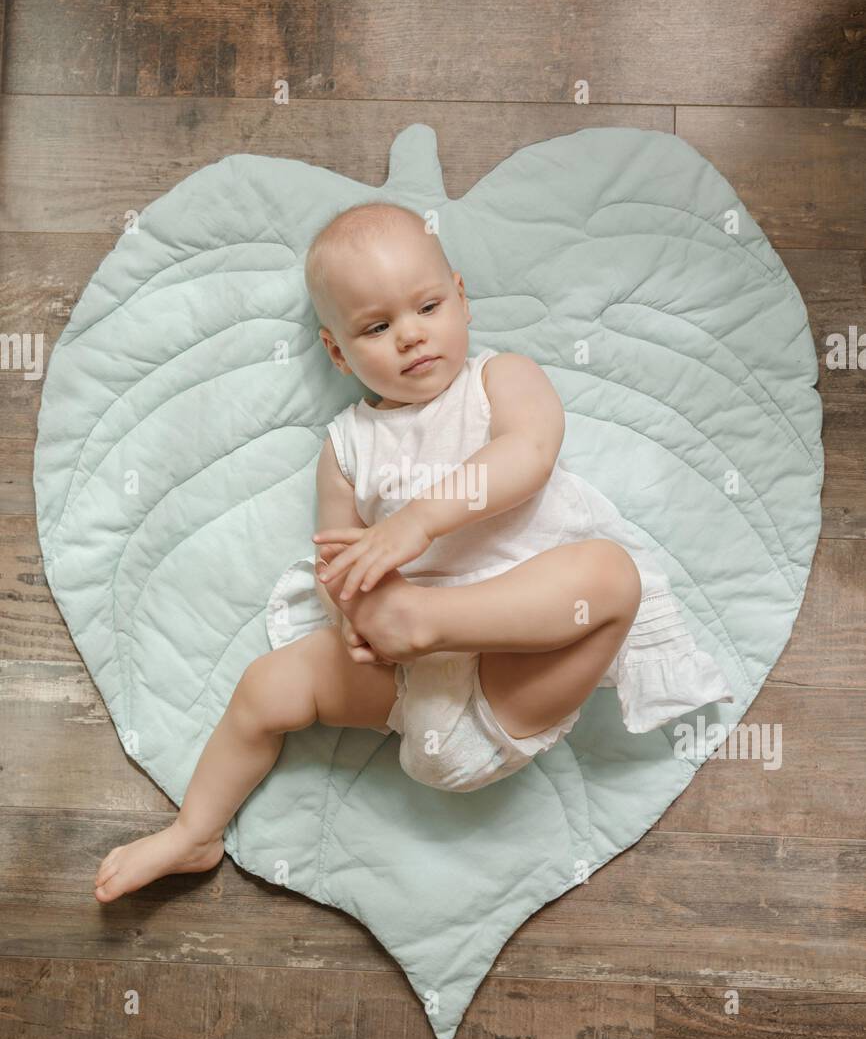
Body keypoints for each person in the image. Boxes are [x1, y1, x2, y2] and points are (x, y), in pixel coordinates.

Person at [94, 202, 733, 902]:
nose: (411, 336)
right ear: (337, 352)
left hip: (511, 682)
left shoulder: (501, 380)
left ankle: (435, 619)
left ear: (462, 296)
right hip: (409, 691)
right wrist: (353, 625)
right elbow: (339, 562)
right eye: (376, 326)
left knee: (610, 575)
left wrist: (419, 524)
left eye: (428, 306)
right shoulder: (345, 448)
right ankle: (195, 831)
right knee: (263, 687)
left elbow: (531, 453)